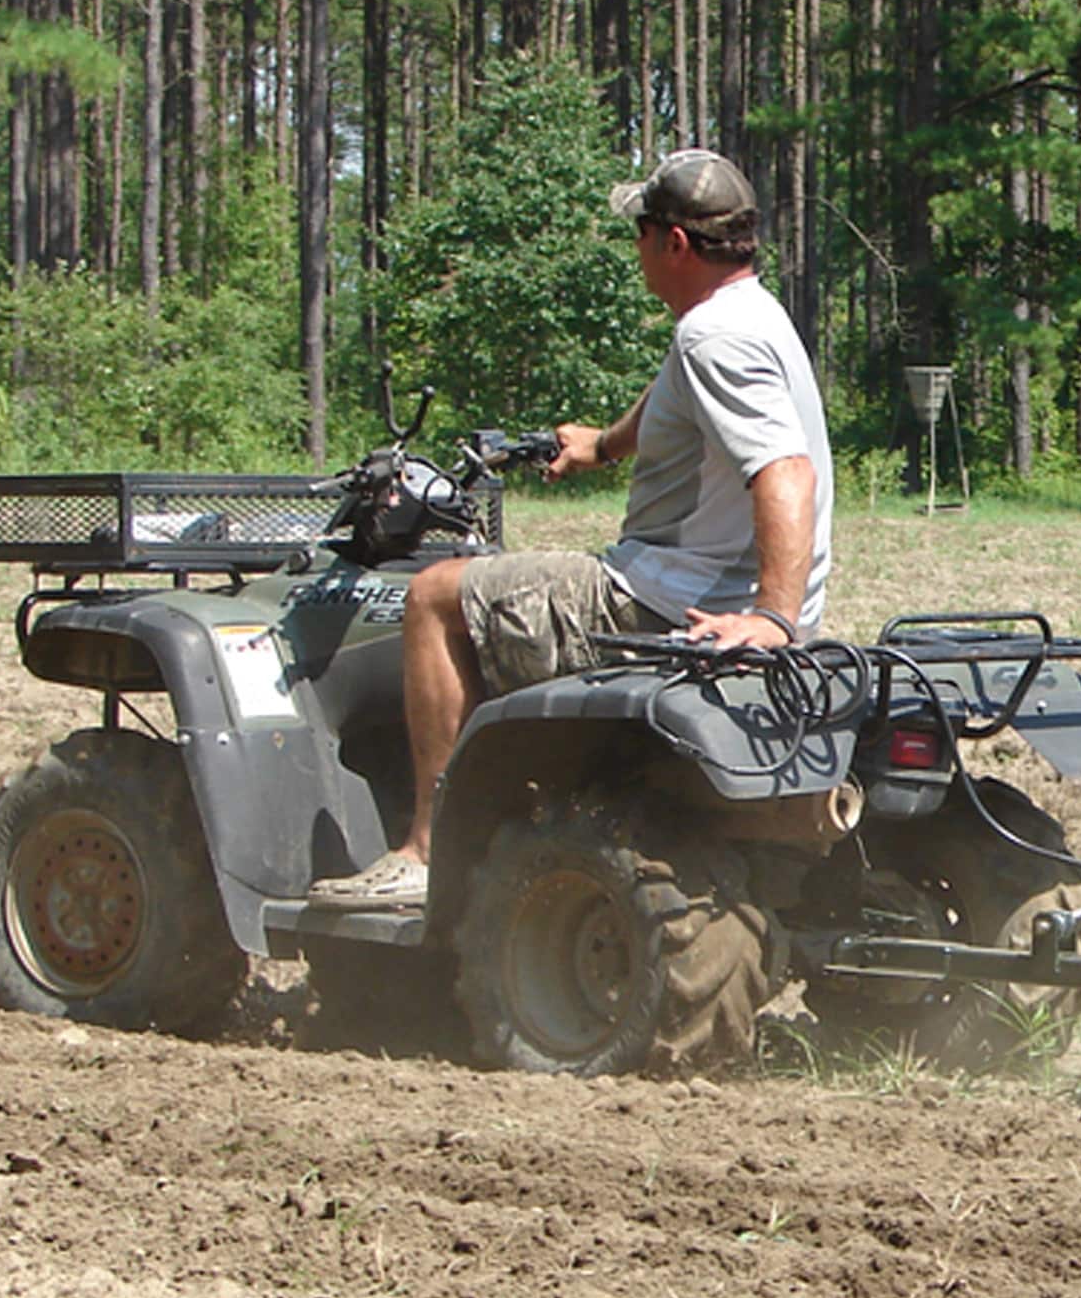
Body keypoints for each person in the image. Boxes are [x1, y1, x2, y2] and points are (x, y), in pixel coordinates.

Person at [308, 147, 832, 908]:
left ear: (674, 243)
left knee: (434, 596)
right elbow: (675, 396)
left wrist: (774, 618)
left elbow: (785, 471)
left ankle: (424, 853)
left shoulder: (713, 337)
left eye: (640, 233)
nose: (635, 249)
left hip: (667, 601)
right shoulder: (749, 315)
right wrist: (600, 446)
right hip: (711, 591)